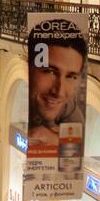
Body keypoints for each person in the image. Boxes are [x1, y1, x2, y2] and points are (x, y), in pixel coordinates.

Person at [27, 20, 86, 149]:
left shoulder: (69, 110)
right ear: (28, 67)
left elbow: (76, 144)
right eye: (49, 71)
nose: (59, 91)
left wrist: (52, 137)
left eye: (70, 76)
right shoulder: (17, 100)